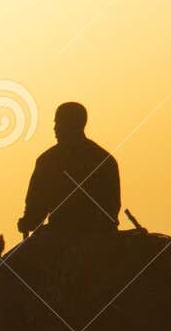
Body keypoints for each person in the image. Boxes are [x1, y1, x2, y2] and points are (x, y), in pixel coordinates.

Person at [17, 102, 120, 237]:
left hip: (60, 237)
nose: (55, 128)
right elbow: (112, 207)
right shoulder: (105, 159)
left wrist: (27, 222)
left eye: (58, 123)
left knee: (11, 259)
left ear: (70, 124)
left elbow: (36, 209)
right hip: (103, 237)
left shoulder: (48, 160)